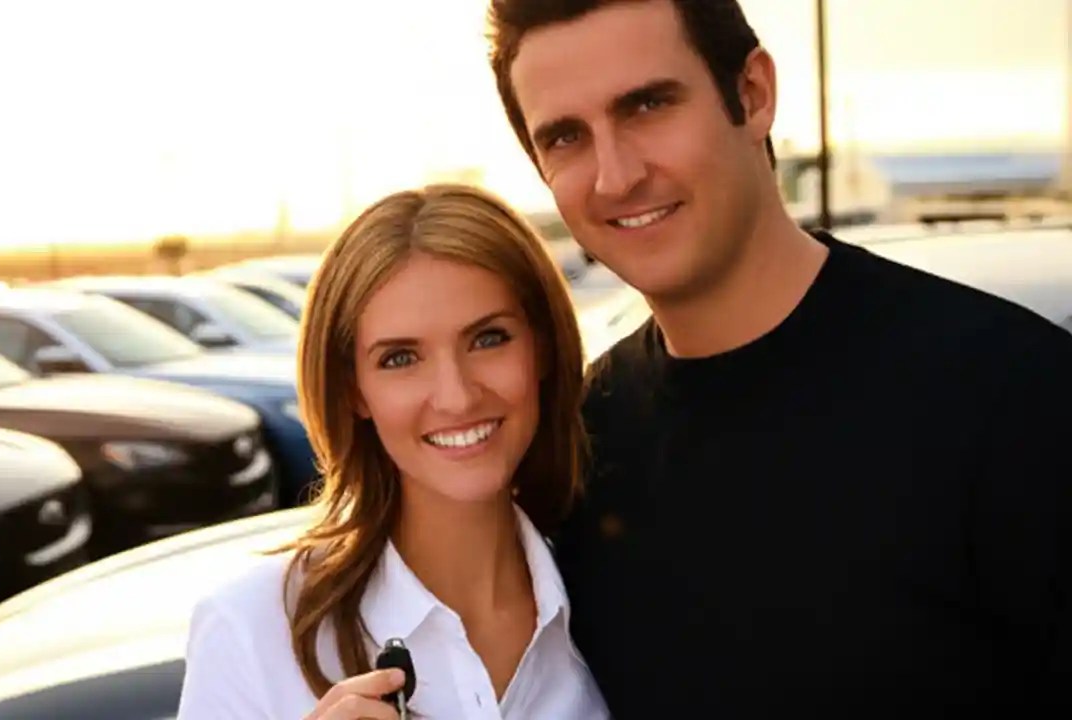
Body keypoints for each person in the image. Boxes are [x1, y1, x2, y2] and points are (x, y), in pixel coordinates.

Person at [486, 0, 1072, 716]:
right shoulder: (576, 442)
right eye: (566, 137)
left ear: (754, 93)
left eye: (647, 104)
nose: (615, 176)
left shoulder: (1015, 397)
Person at [176, 184, 610, 719]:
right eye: (400, 358)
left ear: (542, 347)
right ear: (353, 389)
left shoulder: (616, 601)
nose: (456, 396)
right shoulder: (250, 629)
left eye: (489, 339)